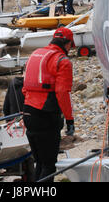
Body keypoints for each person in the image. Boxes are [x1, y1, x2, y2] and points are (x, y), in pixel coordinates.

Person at [22, 27, 75, 182]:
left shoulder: (35, 54)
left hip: (28, 113)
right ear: (67, 44)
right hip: (46, 116)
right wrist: (69, 119)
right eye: (71, 46)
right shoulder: (62, 61)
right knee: (49, 165)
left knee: (40, 163)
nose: (71, 49)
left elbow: (25, 87)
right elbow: (62, 93)